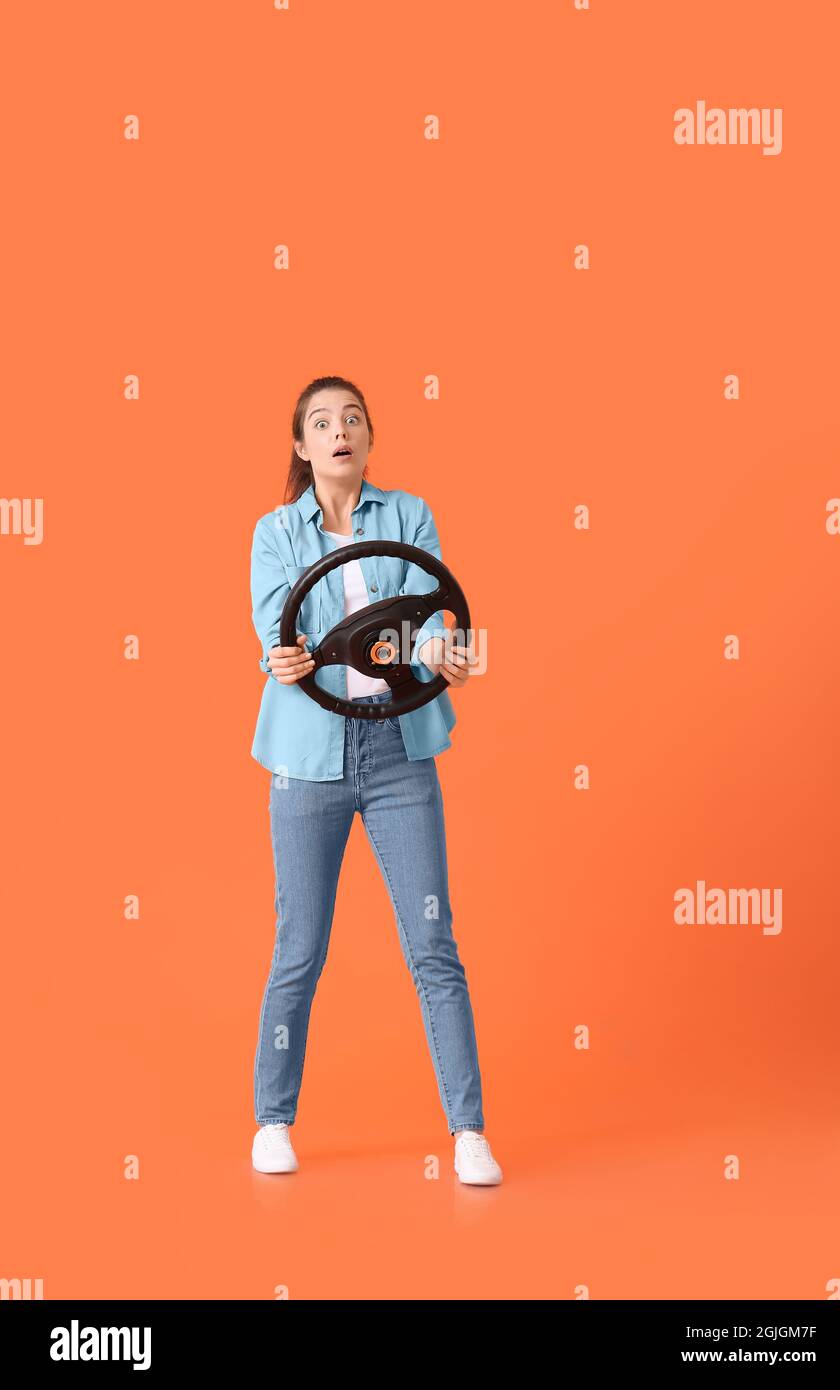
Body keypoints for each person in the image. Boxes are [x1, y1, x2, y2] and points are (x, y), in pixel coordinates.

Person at [249, 375, 502, 1185]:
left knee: (434, 945)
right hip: (308, 763)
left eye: (352, 418)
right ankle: (272, 1120)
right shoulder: (275, 532)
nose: (339, 431)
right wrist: (294, 655)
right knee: (300, 945)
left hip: (399, 753)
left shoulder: (410, 516)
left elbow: (430, 618)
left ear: (367, 437)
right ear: (302, 446)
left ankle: (467, 1133)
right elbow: (278, 626)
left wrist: (440, 652)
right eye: (321, 422)